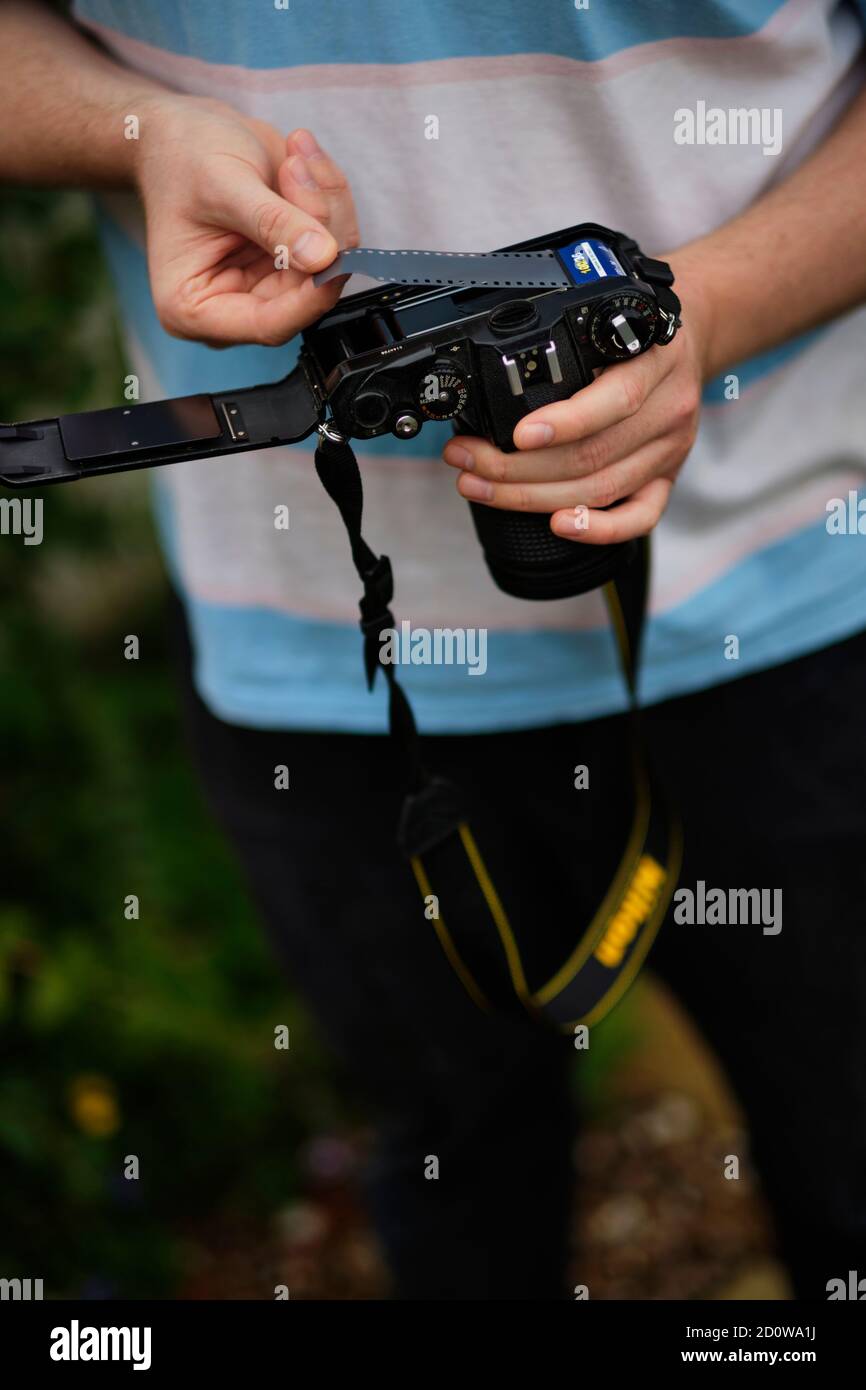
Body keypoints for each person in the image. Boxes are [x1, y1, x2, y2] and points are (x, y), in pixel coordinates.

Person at [3, 0, 866, 1300]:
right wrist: (136, 131)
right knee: (452, 1175)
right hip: (308, 647)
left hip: (795, 592)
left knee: (849, 1152)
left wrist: (704, 318)